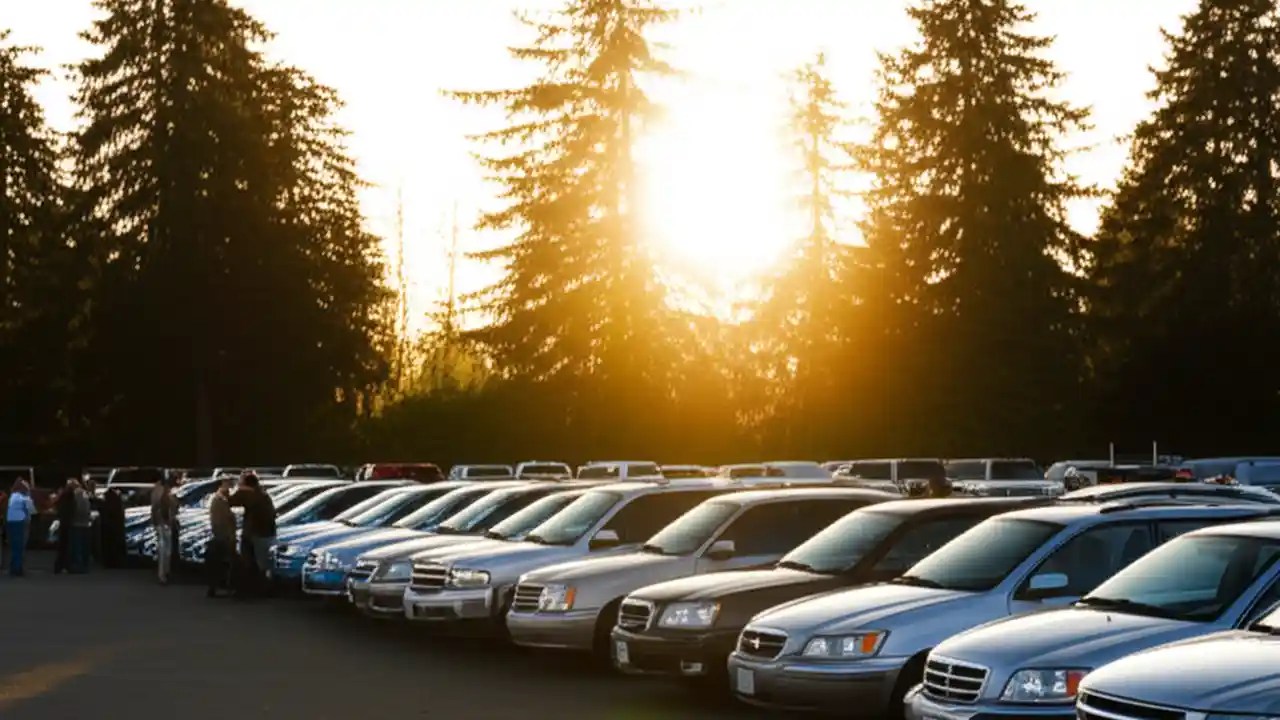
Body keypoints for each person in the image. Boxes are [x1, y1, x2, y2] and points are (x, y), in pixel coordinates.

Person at [230, 472, 276, 597]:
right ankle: (258, 589)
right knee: (259, 563)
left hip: (255, 533)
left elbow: (231, 501)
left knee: (251, 562)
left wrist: (238, 488)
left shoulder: (249, 494)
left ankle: (253, 590)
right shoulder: (263, 495)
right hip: (264, 533)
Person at [206, 475, 237, 598]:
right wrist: (227, 535)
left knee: (220, 564)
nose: (229, 487)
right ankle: (219, 586)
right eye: (227, 485)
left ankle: (218, 586)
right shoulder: (219, 501)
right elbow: (220, 521)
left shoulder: (222, 500)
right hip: (223, 536)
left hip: (223, 536)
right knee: (222, 563)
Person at [6, 479, 37, 577]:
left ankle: (13, 567)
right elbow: (32, 510)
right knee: (20, 546)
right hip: (21, 522)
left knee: (14, 546)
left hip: (11, 521)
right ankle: (18, 568)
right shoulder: (25, 498)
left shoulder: (12, 497)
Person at [150, 478, 178, 585]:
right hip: (163, 523)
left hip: (164, 523)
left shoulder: (160, 492)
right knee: (164, 549)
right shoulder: (161, 493)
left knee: (165, 549)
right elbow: (157, 508)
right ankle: (163, 573)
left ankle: (164, 572)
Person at [53, 478, 77, 574]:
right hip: (68, 522)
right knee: (67, 546)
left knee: (62, 546)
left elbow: (58, 507)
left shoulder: (62, 496)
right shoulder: (71, 497)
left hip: (63, 522)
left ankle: (59, 566)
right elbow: (73, 509)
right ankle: (66, 566)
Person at [70, 481, 93, 573]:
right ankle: (85, 564)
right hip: (85, 523)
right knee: (84, 545)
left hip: (77, 523)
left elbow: (79, 509)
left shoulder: (77, 495)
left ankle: (78, 566)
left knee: (78, 545)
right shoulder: (85, 494)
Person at [101, 485, 126, 568]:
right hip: (117, 528)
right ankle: (117, 562)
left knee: (110, 546)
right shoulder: (117, 503)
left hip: (109, 528)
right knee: (116, 546)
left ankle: (110, 562)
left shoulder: (108, 503)